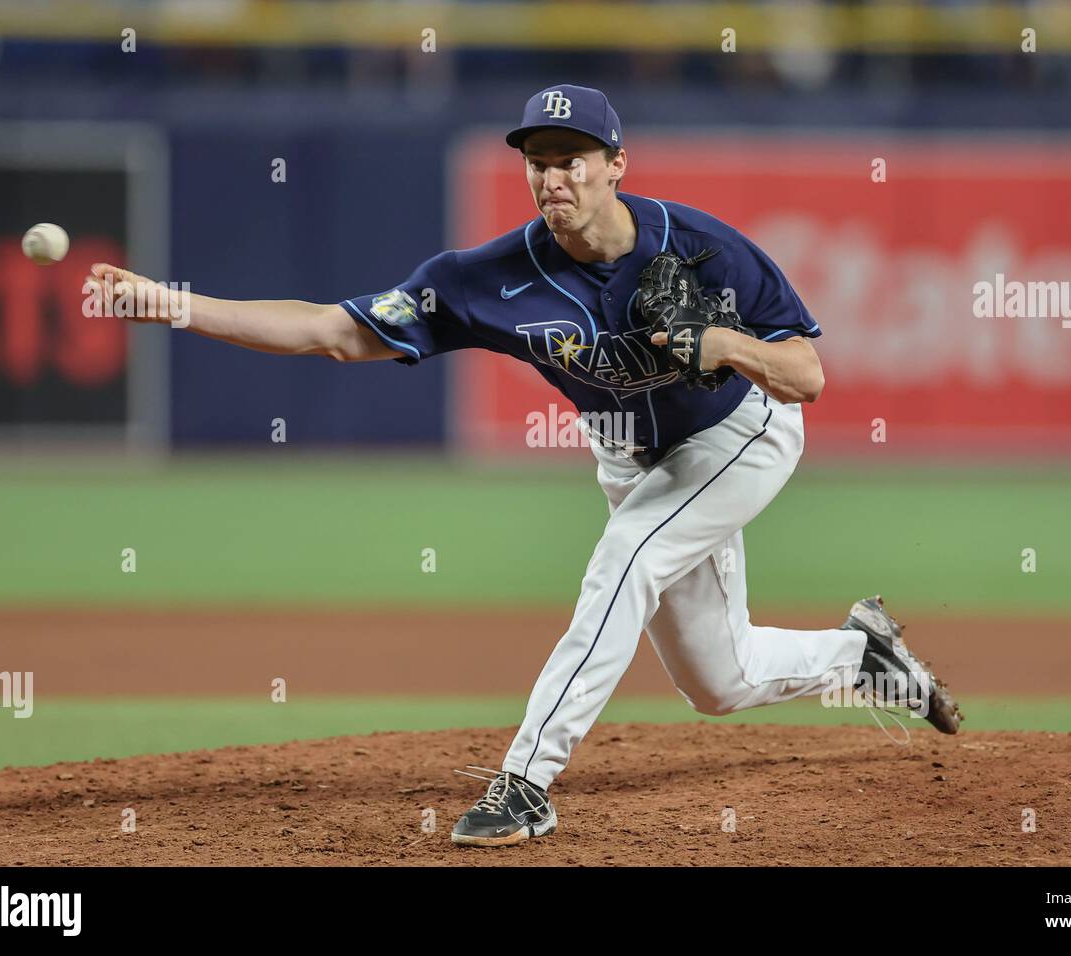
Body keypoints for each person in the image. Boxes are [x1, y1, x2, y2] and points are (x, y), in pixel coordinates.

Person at [87, 83, 960, 850]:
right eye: (538, 160)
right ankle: (863, 655)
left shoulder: (702, 246)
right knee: (718, 682)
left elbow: (807, 375)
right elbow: (335, 332)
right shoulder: (491, 276)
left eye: (573, 158)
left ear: (617, 163)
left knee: (625, 561)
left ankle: (527, 784)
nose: (553, 177)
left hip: (742, 432)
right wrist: (172, 304)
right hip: (635, 459)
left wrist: (719, 340)